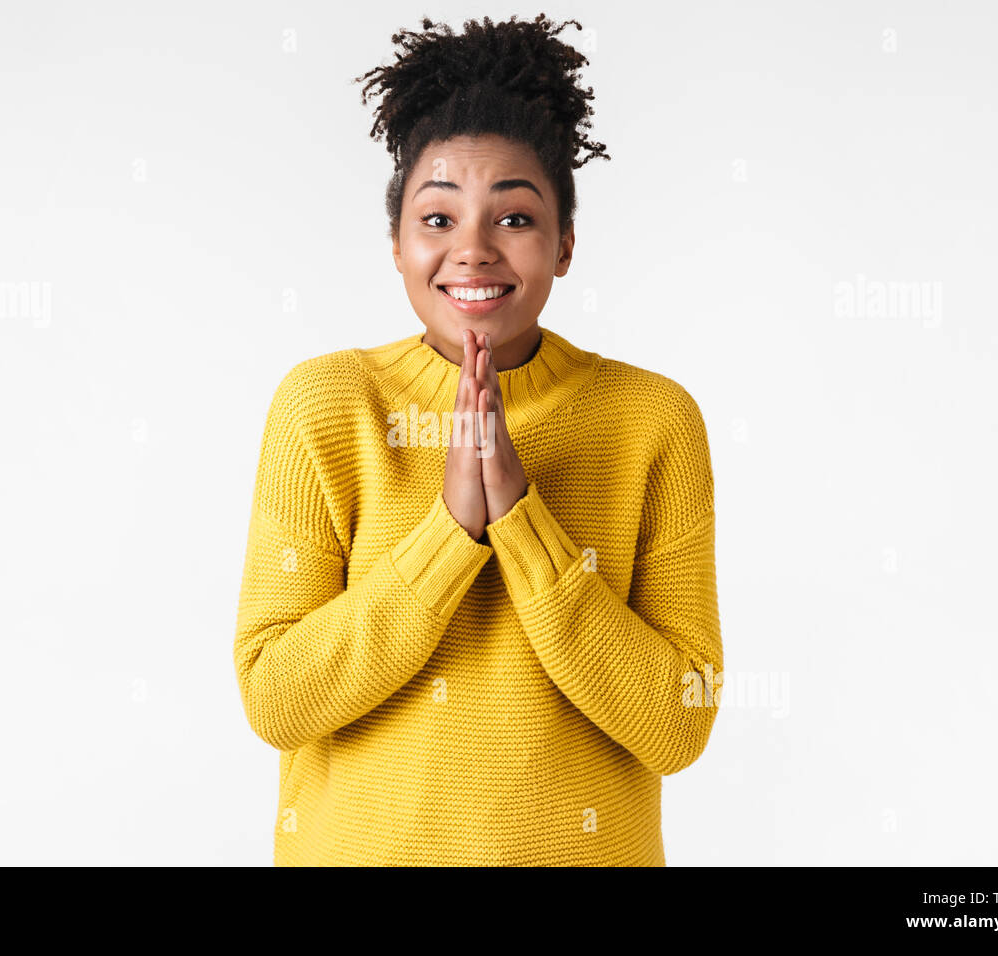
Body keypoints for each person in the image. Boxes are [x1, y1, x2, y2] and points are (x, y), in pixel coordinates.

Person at [234, 13, 722, 866]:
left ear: (565, 242)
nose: (473, 251)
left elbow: (680, 721)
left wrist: (522, 521)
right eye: (437, 218)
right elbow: (276, 700)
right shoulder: (326, 406)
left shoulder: (652, 420)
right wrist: (450, 533)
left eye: (516, 219)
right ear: (396, 244)